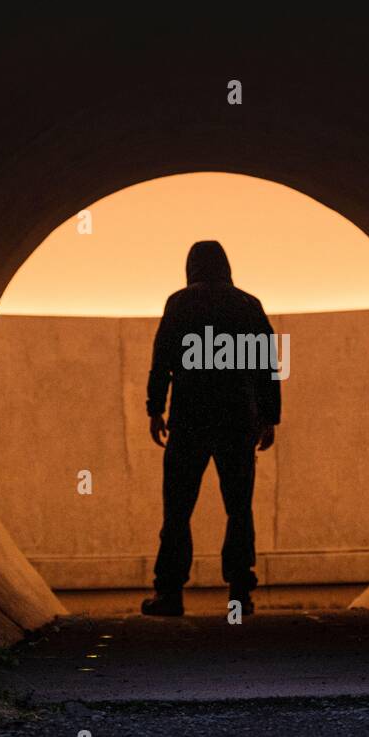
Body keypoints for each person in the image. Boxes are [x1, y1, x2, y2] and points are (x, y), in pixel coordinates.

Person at [141, 240, 280, 616]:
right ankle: (239, 593)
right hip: (238, 420)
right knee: (238, 507)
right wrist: (270, 417)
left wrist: (156, 409)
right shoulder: (248, 304)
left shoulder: (180, 303)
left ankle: (169, 593)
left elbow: (162, 362)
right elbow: (267, 365)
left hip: (190, 419)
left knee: (178, 507)